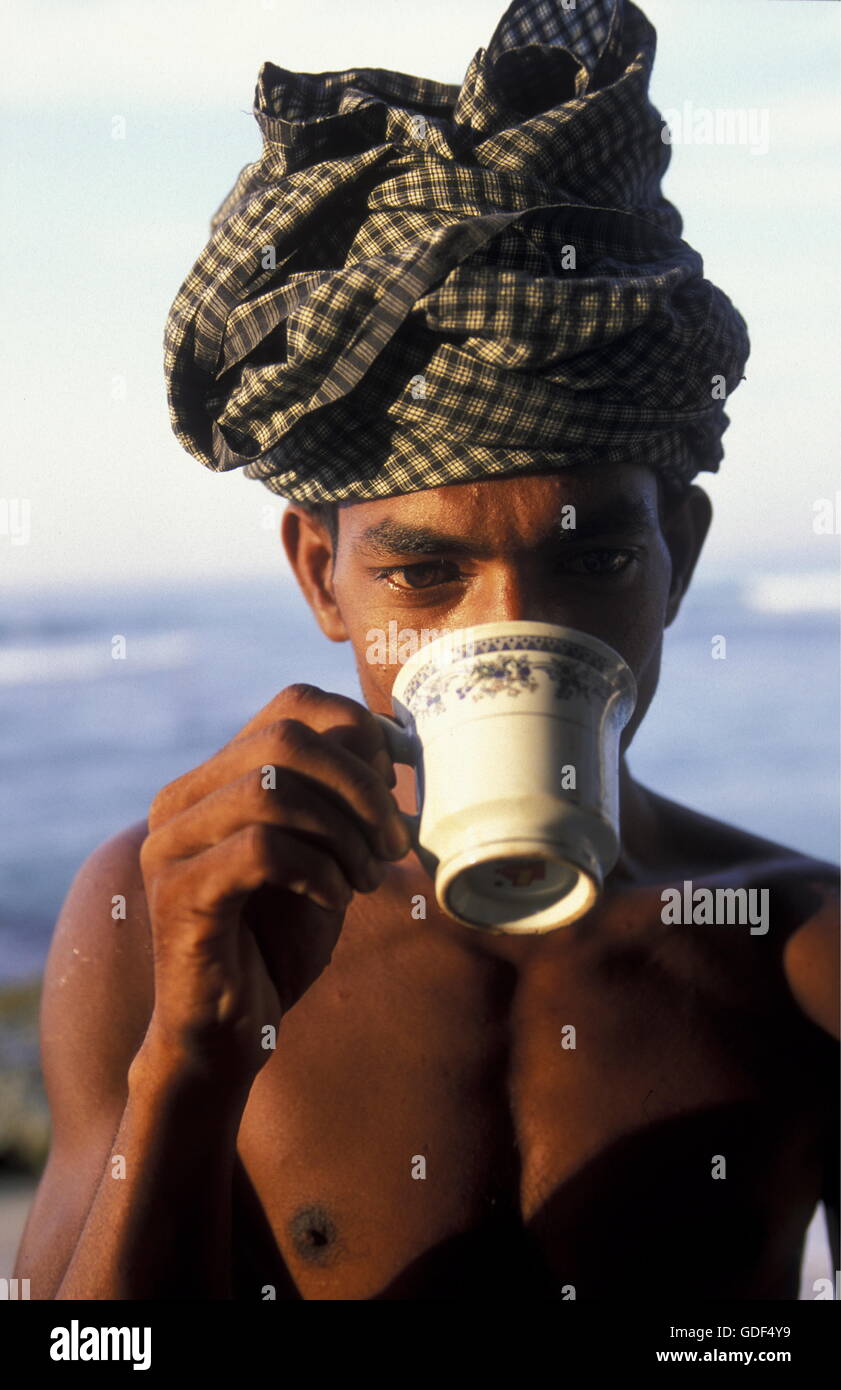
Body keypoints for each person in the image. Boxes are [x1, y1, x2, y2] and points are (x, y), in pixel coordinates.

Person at [15, 0, 838, 1299]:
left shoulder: (800, 944)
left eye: (591, 559)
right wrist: (193, 1051)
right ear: (319, 577)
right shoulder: (158, 917)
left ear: (675, 555)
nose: (514, 628)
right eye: (426, 571)